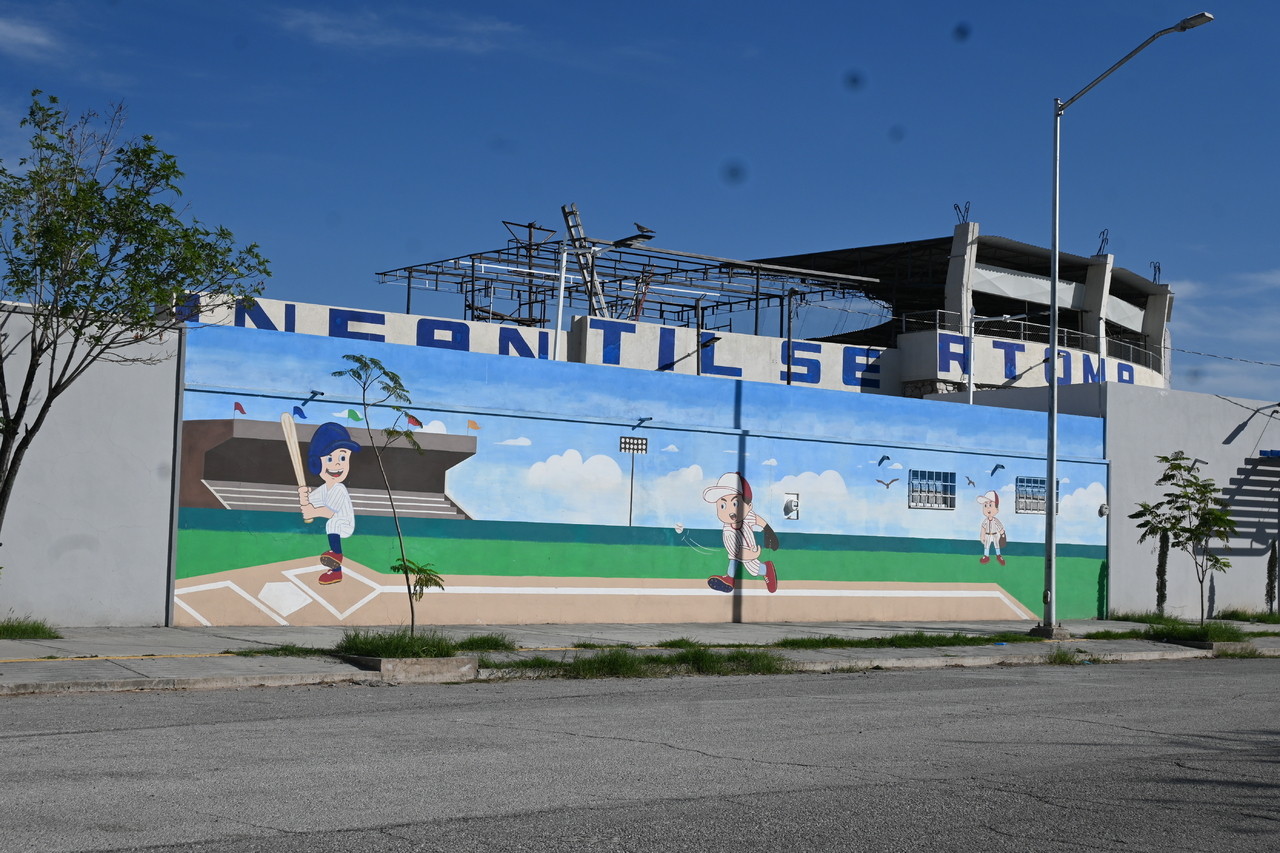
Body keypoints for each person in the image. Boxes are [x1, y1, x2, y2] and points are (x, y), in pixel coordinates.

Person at [298, 422, 361, 584]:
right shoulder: (324, 489)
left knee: (332, 523)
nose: (338, 463)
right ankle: (336, 572)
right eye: (330, 458)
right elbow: (311, 503)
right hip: (337, 524)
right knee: (331, 525)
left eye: (342, 457)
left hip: (345, 524)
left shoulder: (339, 488)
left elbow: (329, 512)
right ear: (316, 464)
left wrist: (312, 512)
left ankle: (337, 554)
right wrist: (305, 497)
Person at [702, 472, 778, 593]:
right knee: (734, 558)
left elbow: (757, 519)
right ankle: (729, 578)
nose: (730, 511)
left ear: (749, 506)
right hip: (742, 550)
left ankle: (766, 569)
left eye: (735, 503)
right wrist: (751, 555)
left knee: (754, 569)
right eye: (722, 505)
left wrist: (768, 531)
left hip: (750, 547)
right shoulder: (728, 532)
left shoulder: (748, 516)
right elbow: (735, 552)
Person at [977, 489, 1006, 566]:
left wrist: (1002, 533)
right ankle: (986, 556)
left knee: (997, 545)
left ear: (996, 509)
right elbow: (983, 527)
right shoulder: (985, 521)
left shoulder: (995, 520)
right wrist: (982, 536)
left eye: (990, 505)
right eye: (985, 505)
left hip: (995, 534)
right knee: (986, 545)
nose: (988, 508)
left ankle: (998, 556)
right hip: (987, 534)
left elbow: (1000, 527)